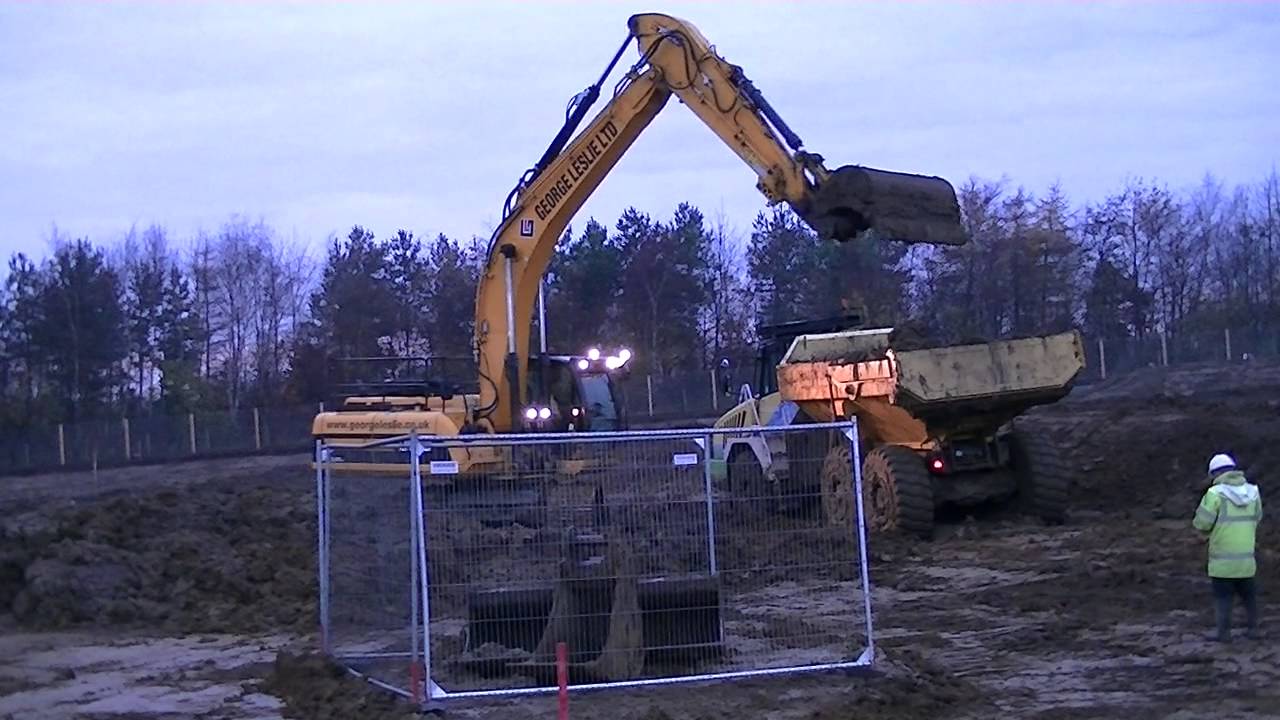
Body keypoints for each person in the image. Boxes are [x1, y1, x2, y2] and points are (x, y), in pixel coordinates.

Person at [1192, 453, 1263, 642]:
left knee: (1223, 598)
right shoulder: (1253, 492)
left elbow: (1202, 524)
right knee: (1249, 597)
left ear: (1214, 474)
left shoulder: (1214, 494)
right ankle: (1253, 630)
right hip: (1247, 559)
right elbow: (1257, 518)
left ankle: (1223, 634)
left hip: (1222, 560)